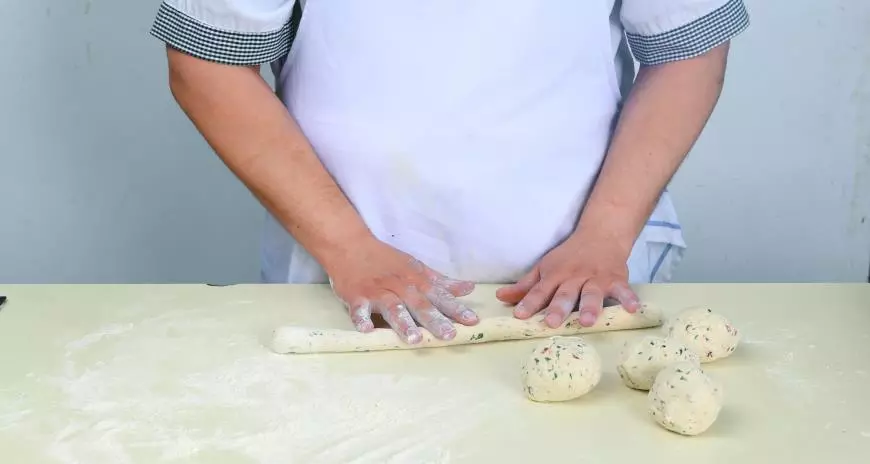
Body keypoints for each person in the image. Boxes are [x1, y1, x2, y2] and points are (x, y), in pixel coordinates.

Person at [151, 0, 749, 344]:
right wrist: (347, 247)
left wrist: (607, 234)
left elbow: (686, 51)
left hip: (581, 279)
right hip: (343, 275)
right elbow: (207, 62)